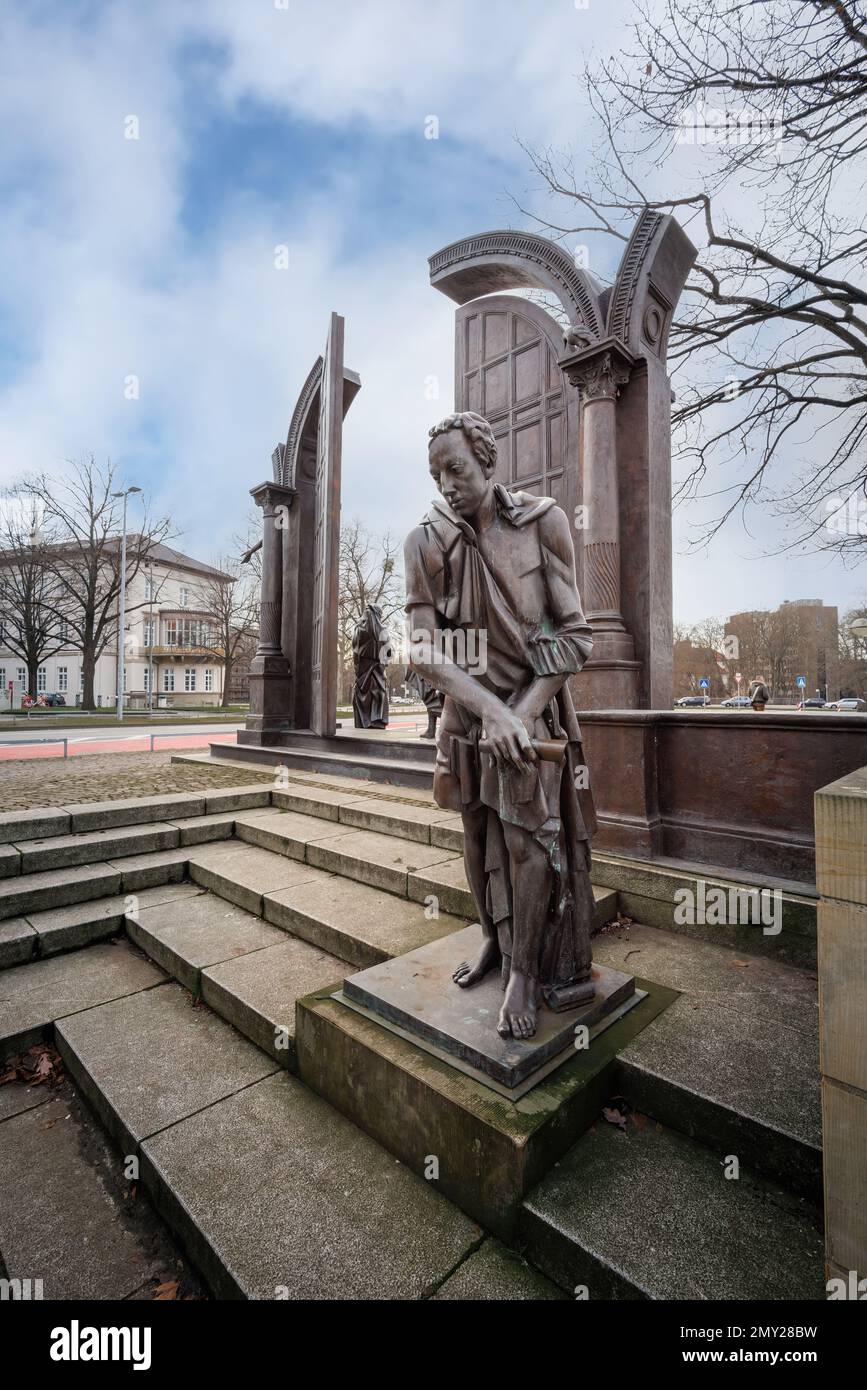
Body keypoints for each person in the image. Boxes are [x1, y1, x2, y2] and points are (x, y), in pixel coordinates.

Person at [404, 411, 596, 1040]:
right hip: (466, 708)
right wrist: (487, 712)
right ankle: (490, 937)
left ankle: (524, 972)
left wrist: (520, 713)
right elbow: (423, 651)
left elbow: (574, 637)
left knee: (526, 839)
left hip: (530, 705)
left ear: (487, 460)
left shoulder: (545, 523)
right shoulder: (425, 542)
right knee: (473, 828)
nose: (446, 483)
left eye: (455, 467)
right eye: (436, 473)